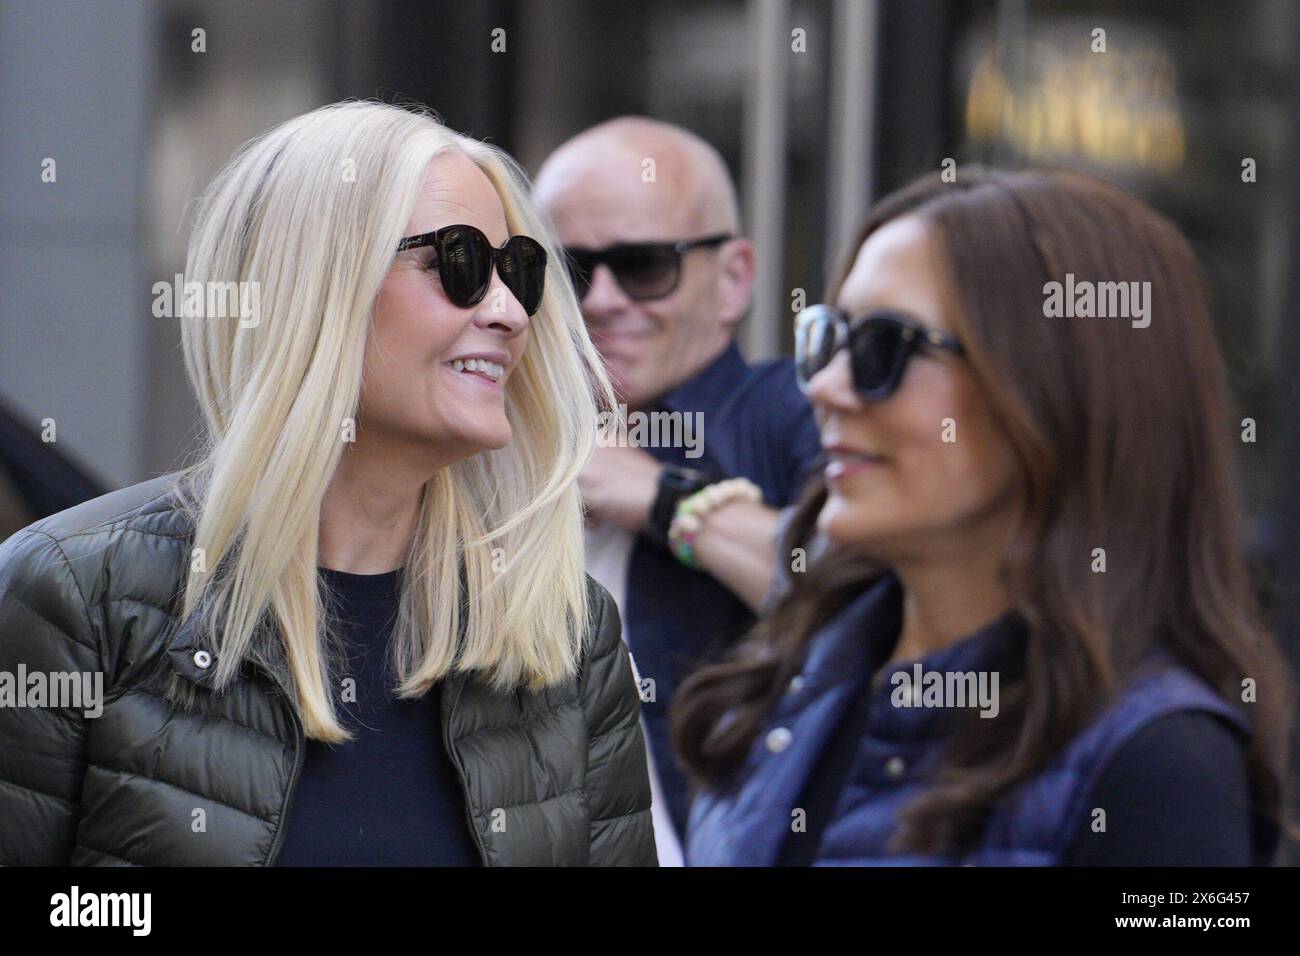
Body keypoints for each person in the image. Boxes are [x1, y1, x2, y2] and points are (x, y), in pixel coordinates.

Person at [0, 101, 656, 866]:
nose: (509, 311)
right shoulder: (75, 597)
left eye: (519, 271)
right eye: (461, 261)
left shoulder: (566, 631)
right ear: (314, 285)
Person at [674, 167, 1294, 866]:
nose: (825, 385)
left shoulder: (1159, 761)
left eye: (885, 347)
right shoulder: (801, 670)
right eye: (828, 337)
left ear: (1054, 388)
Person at [534, 118, 821, 862]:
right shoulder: (488, 438)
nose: (599, 300)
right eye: (567, 269)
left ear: (733, 280)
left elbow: (875, 599)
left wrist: (664, 500)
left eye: (643, 265)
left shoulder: (796, 411)